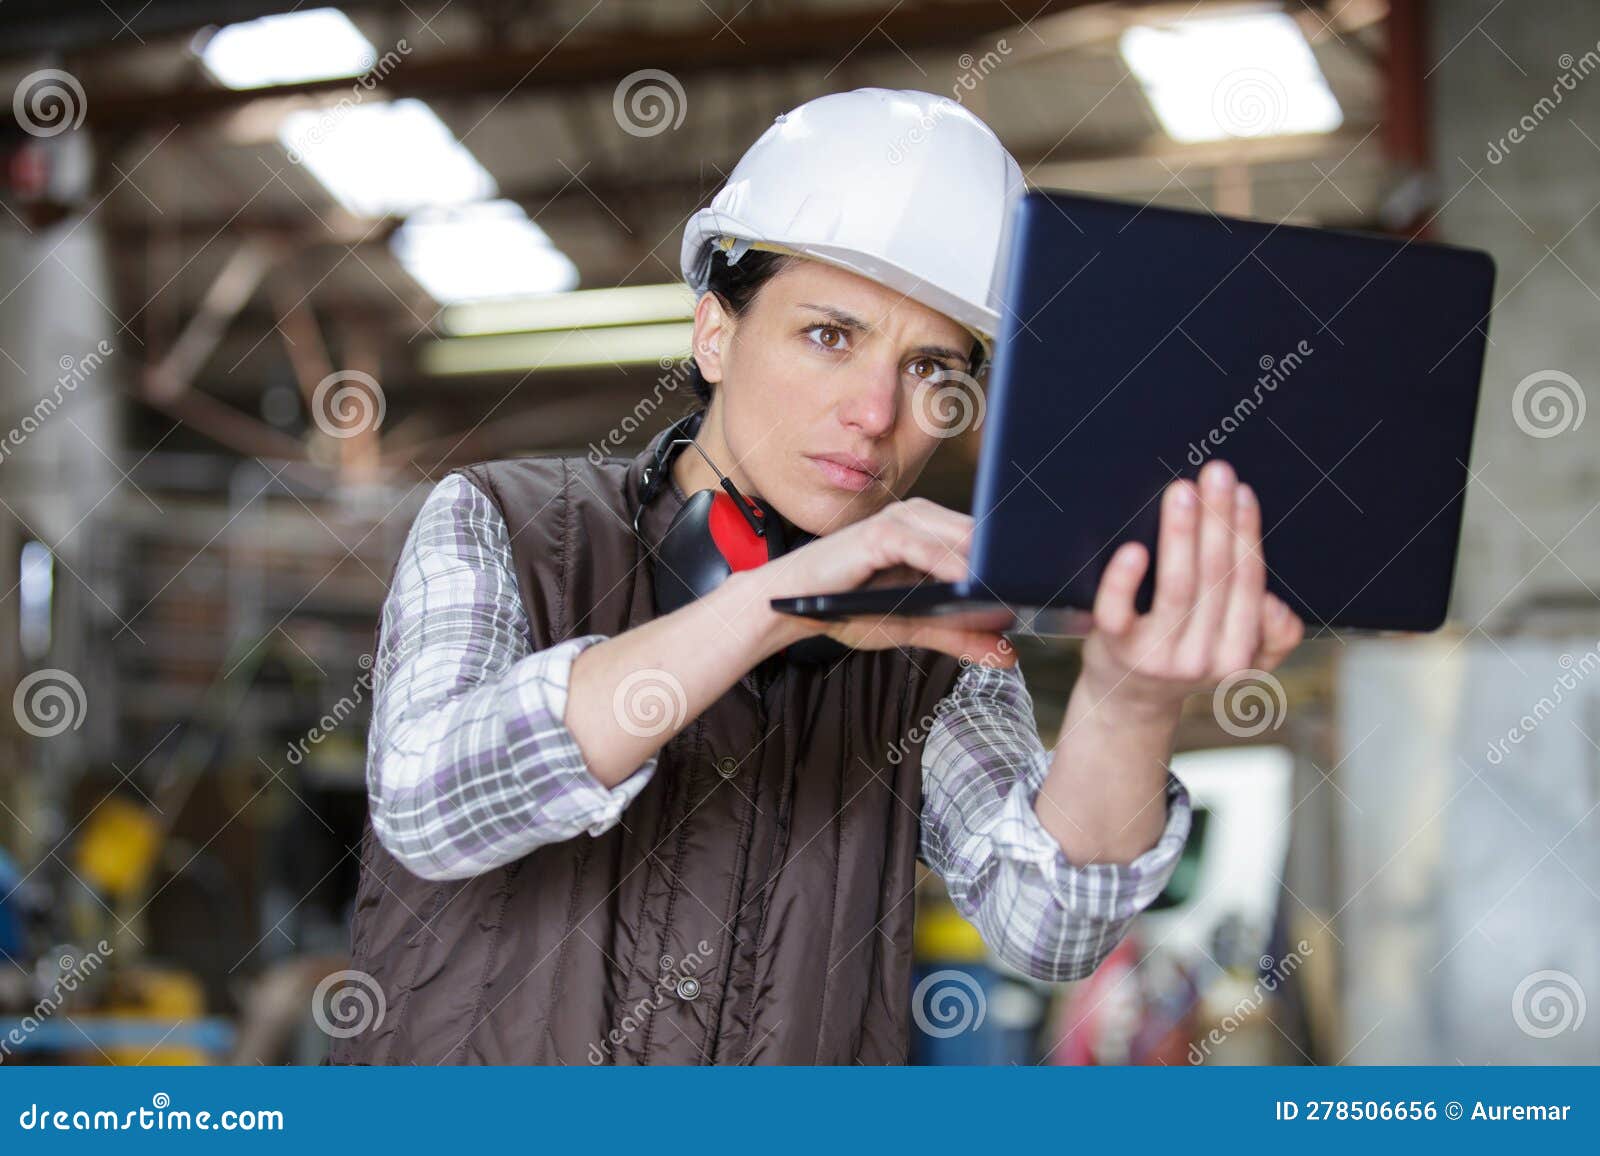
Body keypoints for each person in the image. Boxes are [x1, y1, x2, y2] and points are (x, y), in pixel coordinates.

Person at [330, 87, 1304, 1066]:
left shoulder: (935, 634)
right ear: (714, 332)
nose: (876, 411)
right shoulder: (504, 522)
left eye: (932, 370)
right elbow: (429, 801)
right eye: (829, 336)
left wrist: (1129, 702)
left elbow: (1048, 925)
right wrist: (775, 605)